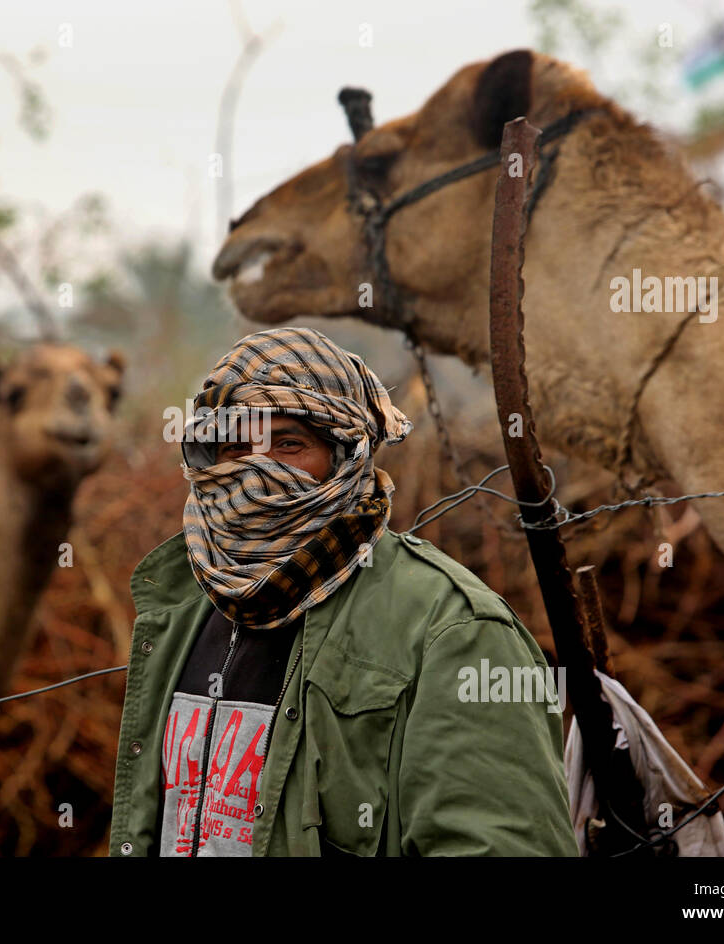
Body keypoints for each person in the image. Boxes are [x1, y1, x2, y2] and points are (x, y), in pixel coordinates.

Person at [108, 326, 578, 857]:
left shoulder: (456, 632)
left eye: (289, 445)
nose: (257, 472)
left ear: (346, 455)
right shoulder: (185, 608)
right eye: (236, 445)